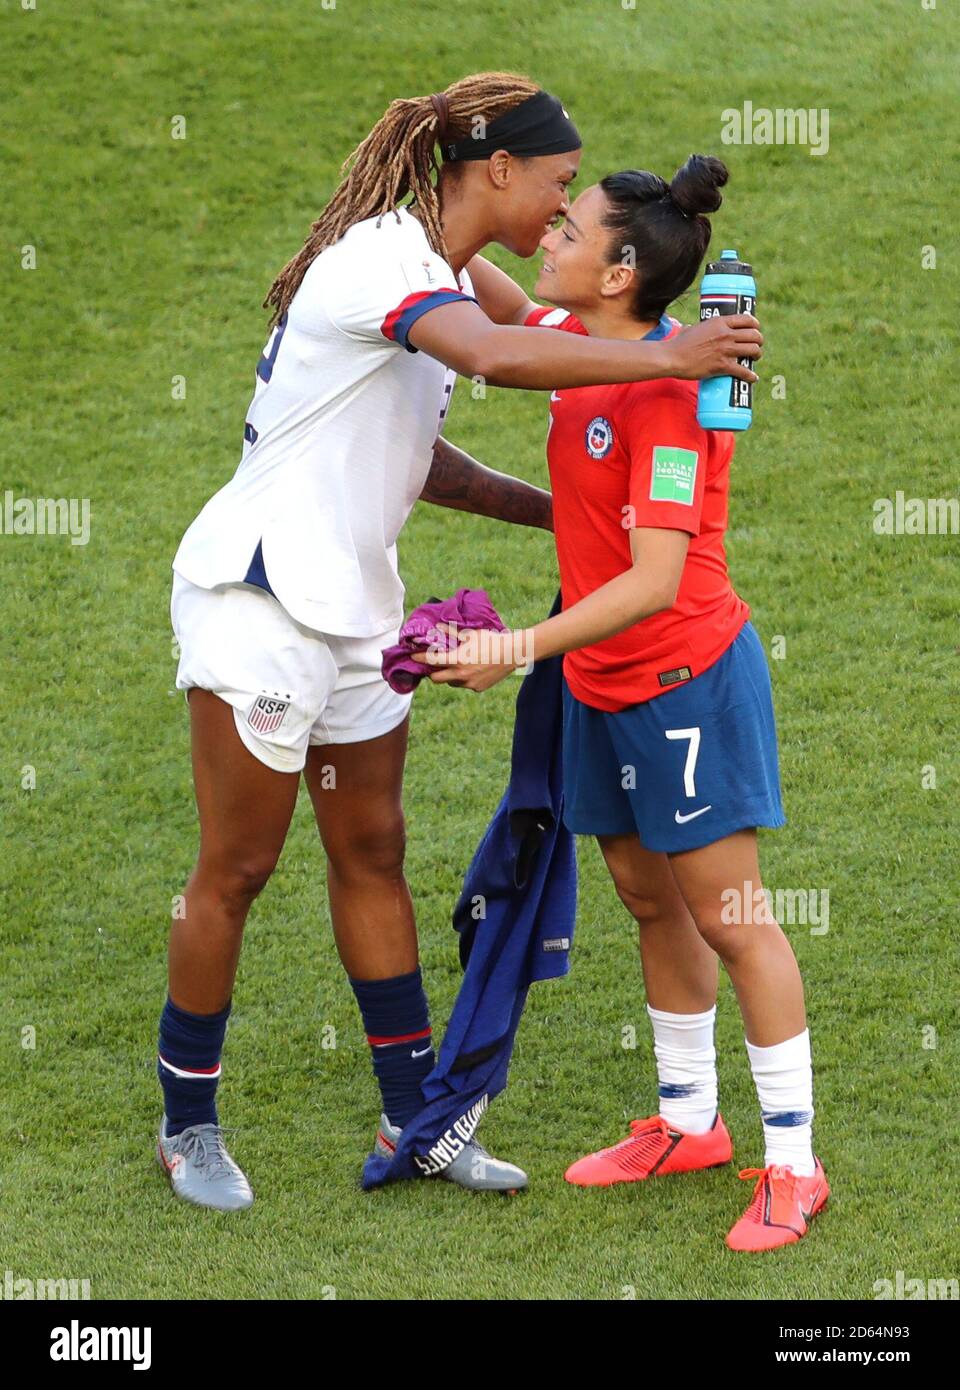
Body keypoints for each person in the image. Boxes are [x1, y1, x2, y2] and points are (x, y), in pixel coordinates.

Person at [158, 72, 762, 1211]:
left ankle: (417, 1119)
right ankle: (188, 1122)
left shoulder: (435, 277)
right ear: (496, 172)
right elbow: (496, 358)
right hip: (259, 600)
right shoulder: (385, 261)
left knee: (373, 851)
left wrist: (564, 512)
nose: (563, 208)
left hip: (353, 613)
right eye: (560, 185)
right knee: (236, 867)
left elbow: (420, 456)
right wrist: (671, 359)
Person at [420, 155, 827, 1251]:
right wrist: (428, 230)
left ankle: (794, 1161)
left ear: (624, 266)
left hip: (682, 680)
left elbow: (652, 579)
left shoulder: (661, 393)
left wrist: (514, 646)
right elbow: (492, 313)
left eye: (574, 229)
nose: (551, 232)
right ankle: (688, 1120)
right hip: (605, 684)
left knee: (732, 918)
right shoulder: (585, 338)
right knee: (650, 900)